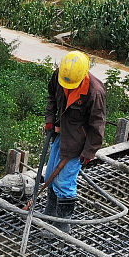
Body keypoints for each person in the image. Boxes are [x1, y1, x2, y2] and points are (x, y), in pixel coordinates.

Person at [43, 51, 106, 229]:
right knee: (49, 176)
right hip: (62, 134)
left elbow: (97, 125)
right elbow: (51, 98)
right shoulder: (61, 75)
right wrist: (50, 120)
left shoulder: (95, 92)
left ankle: (63, 225)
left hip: (78, 141)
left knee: (64, 181)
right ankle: (51, 213)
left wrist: (89, 152)